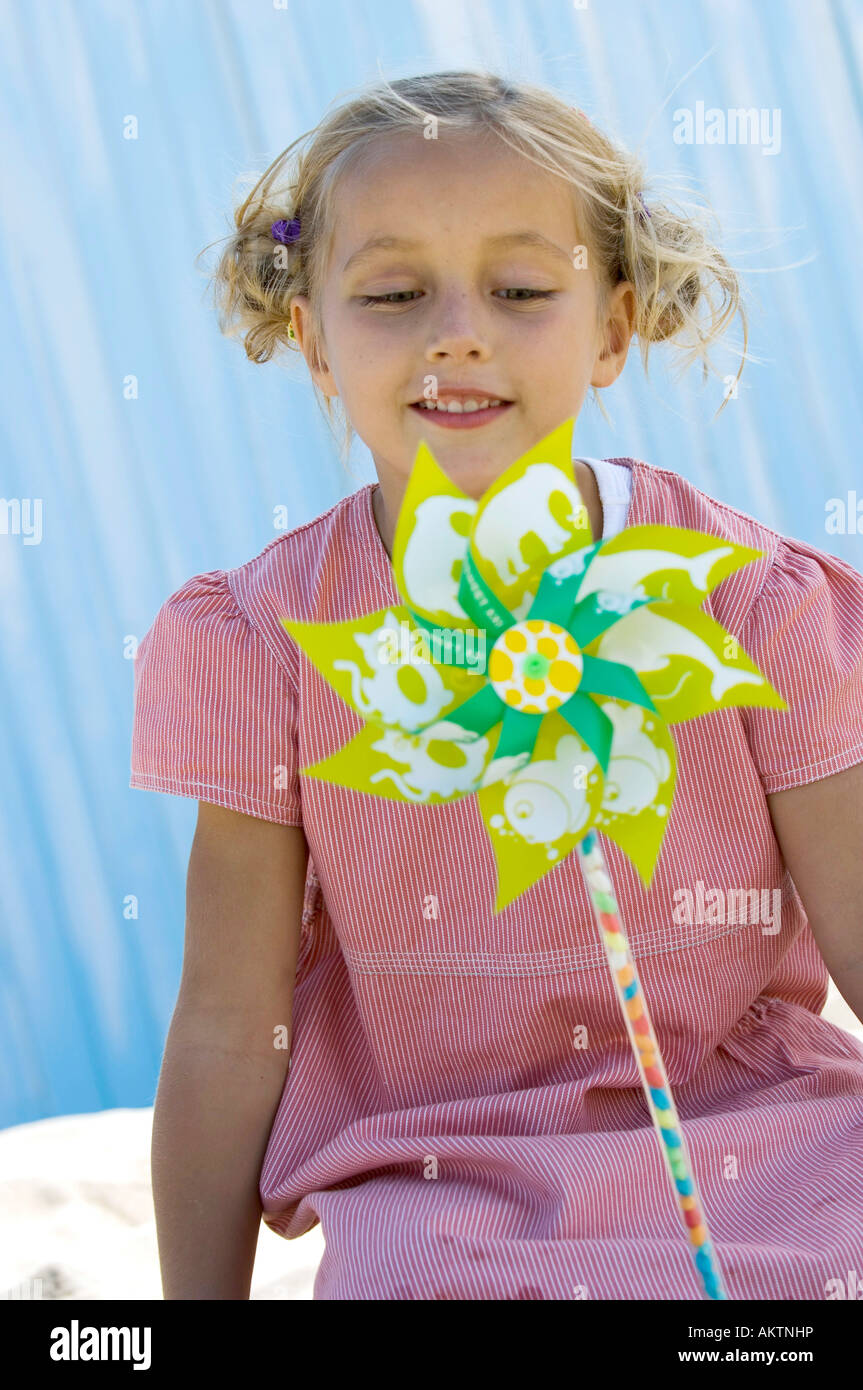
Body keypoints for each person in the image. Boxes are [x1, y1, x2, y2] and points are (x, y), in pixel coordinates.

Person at [130, 70, 863, 1300]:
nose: (454, 332)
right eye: (391, 293)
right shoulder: (264, 642)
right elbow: (223, 1029)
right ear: (312, 338)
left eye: (521, 290)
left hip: (755, 1130)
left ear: (614, 328)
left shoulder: (749, 606)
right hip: (439, 1168)